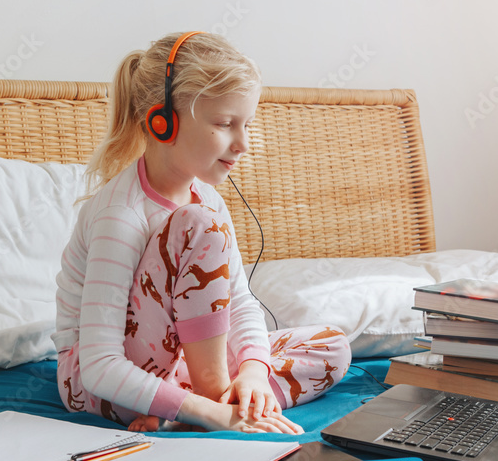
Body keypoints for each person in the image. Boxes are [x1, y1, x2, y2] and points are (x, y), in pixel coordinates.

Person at [53, 31, 351, 434]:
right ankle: (209, 406)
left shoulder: (208, 198)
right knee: (199, 224)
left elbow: (240, 301)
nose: (243, 143)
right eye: (226, 124)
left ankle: (198, 404)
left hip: (179, 368)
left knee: (333, 347)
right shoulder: (120, 215)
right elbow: (100, 367)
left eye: (247, 124)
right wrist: (215, 413)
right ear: (163, 122)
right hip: (96, 384)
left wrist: (254, 373)